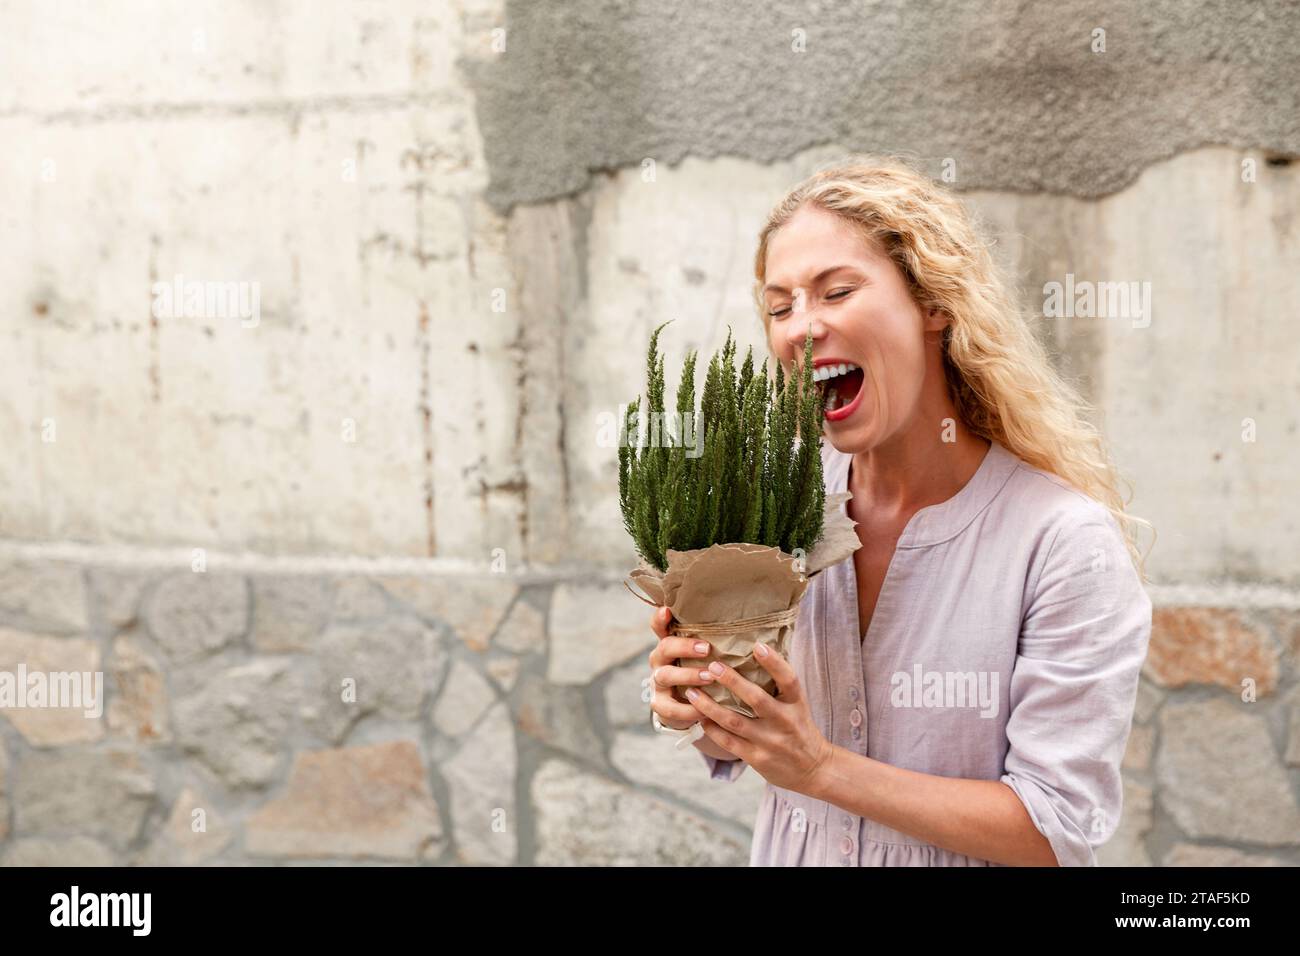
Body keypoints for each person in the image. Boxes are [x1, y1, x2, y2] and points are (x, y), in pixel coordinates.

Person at [646, 156, 1153, 867]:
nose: (802, 327)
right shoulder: (767, 507)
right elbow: (744, 726)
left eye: (837, 291)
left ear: (934, 304)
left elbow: (1054, 828)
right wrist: (697, 695)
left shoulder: (1062, 544)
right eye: (780, 306)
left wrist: (821, 769)